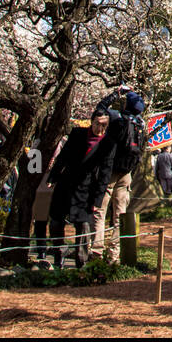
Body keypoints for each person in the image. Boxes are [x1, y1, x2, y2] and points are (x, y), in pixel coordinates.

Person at [46, 109, 116, 270]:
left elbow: (105, 173)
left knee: (83, 224)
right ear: (91, 122)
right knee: (56, 220)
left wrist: (98, 199)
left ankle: (81, 260)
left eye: (104, 125)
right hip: (66, 182)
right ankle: (59, 252)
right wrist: (53, 177)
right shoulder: (77, 134)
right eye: (97, 124)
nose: (100, 128)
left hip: (87, 188)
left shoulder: (108, 143)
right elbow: (62, 157)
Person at [90, 86, 147, 262]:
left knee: (100, 211)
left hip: (109, 171)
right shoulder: (141, 124)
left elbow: (100, 109)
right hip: (126, 173)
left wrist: (116, 93)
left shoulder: (116, 117)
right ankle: (114, 255)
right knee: (119, 215)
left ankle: (97, 252)